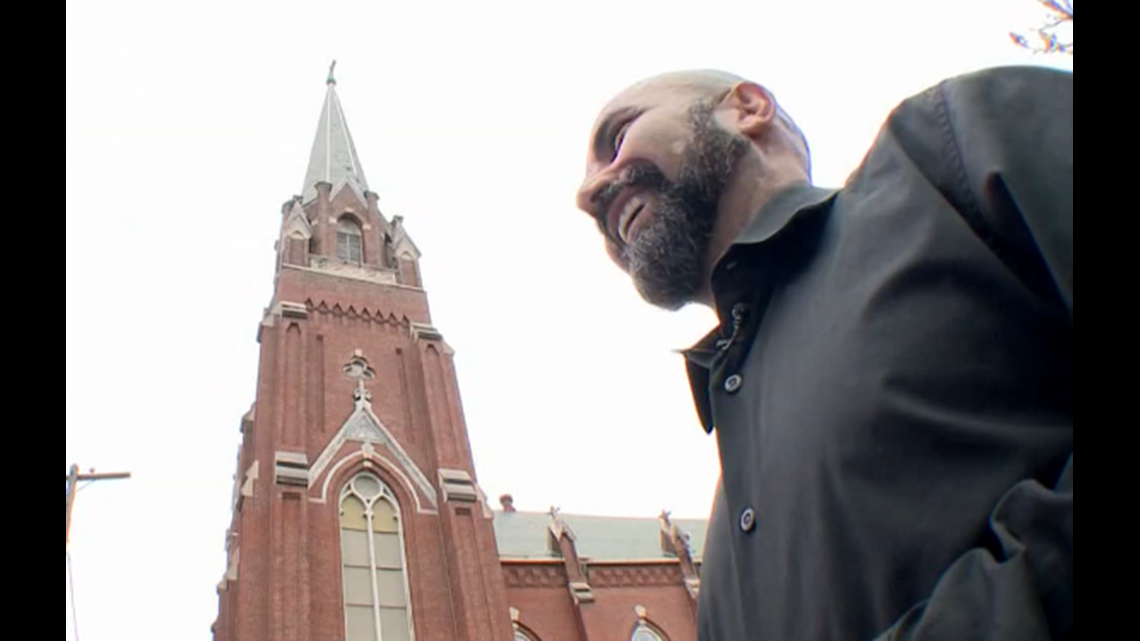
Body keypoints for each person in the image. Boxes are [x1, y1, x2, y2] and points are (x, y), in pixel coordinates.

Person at [574, 66, 1072, 640]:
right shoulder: (727, 539)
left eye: (617, 138)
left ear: (748, 108)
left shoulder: (944, 154)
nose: (589, 194)